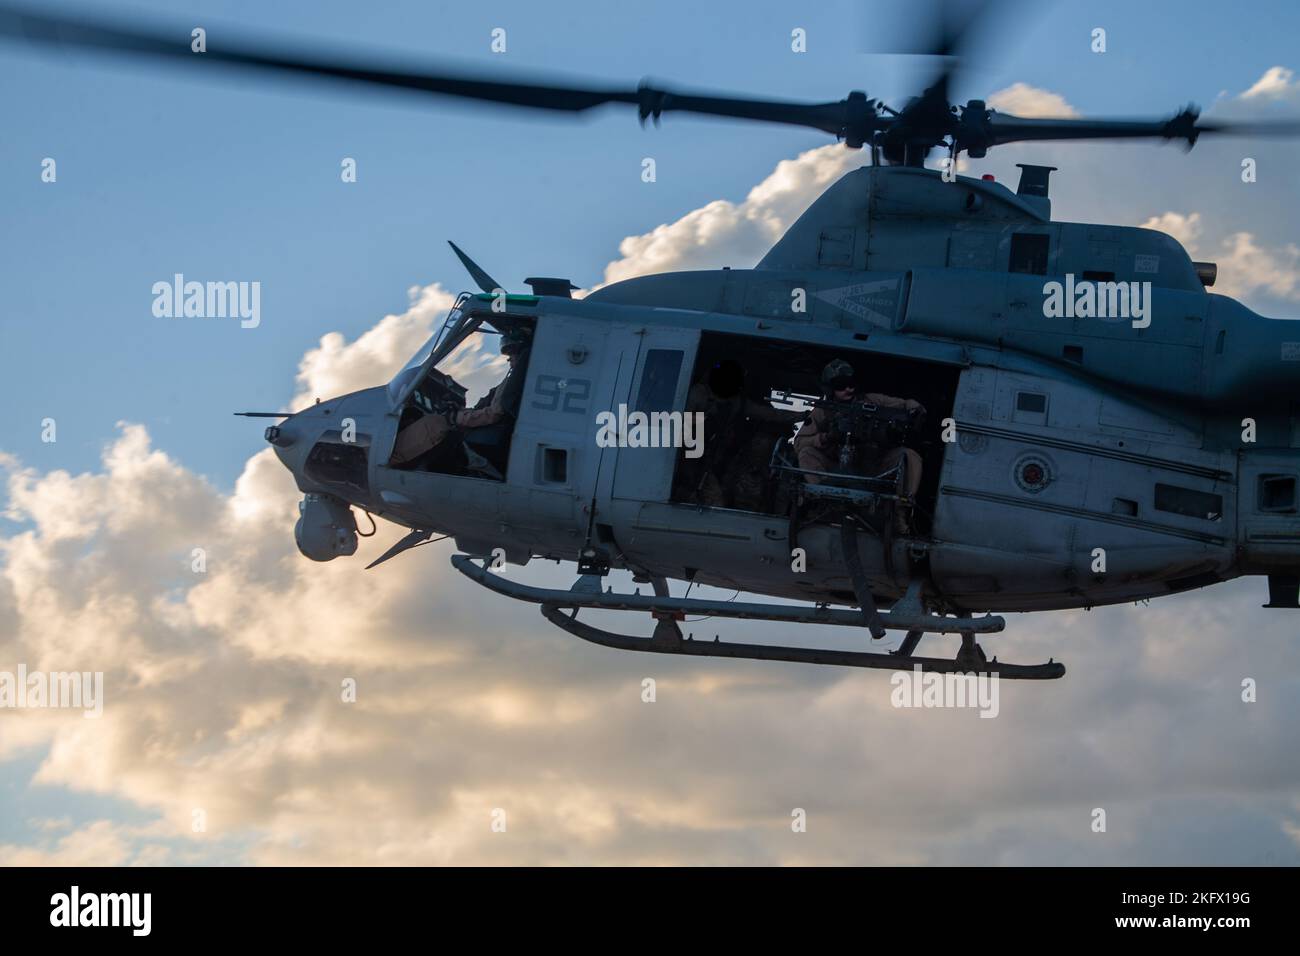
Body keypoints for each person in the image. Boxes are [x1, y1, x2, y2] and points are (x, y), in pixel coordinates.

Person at [793, 358, 925, 533]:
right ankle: (825, 501)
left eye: (851, 383)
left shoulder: (873, 401)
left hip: (875, 467)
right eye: (841, 385)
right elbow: (800, 442)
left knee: (908, 456)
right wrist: (826, 437)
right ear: (831, 388)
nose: (848, 388)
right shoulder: (823, 410)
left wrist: (914, 409)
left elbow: (906, 404)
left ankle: (899, 511)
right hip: (837, 470)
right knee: (807, 453)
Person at [389, 327, 531, 468]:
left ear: (520, 353)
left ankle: (389, 459)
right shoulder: (521, 379)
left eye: (511, 354)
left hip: (493, 436)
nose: (509, 359)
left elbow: (493, 414)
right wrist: (461, 413)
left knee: (435, 423)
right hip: (495, 434)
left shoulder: (514, 381)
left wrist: (455, 417)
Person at [676, 359, 802, 507]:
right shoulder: (699, 394)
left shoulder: (735, 402)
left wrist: (800, 416)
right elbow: (681, 425)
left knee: (713, 500)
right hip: (684, 454)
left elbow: (767, 413)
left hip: (706, 456)